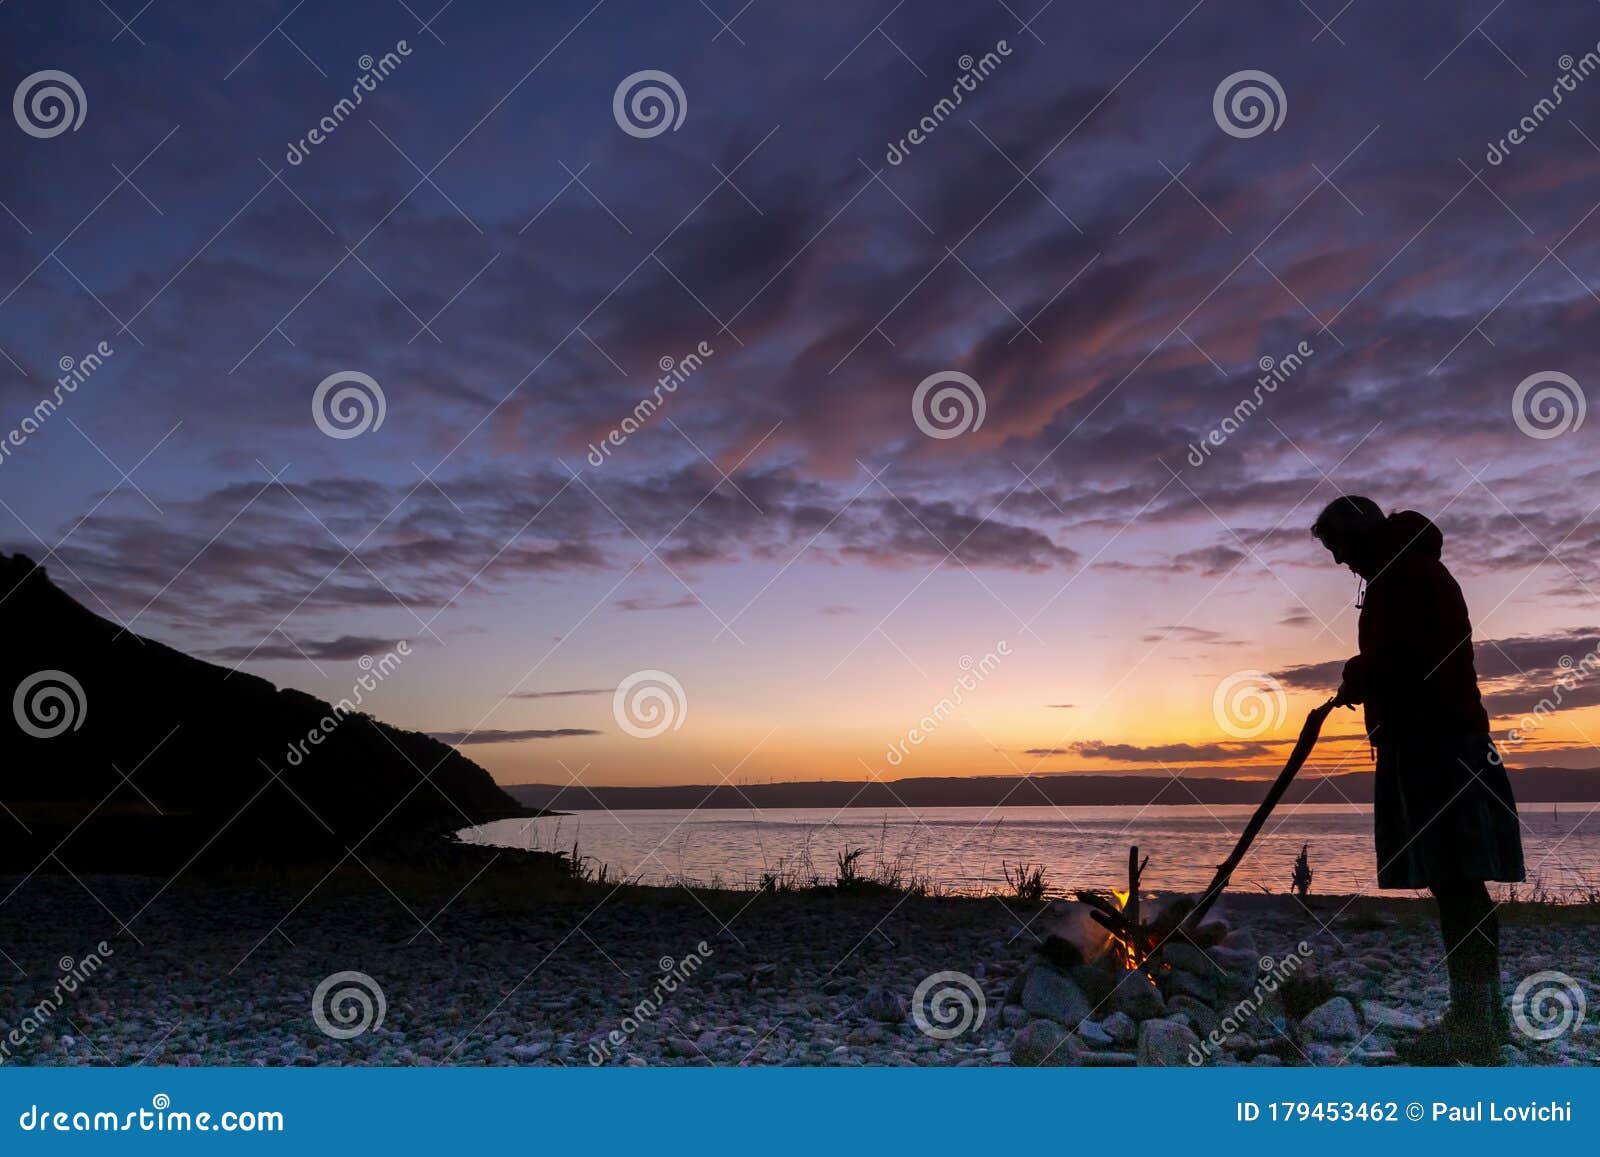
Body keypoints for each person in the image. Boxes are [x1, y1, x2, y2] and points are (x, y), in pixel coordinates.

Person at [1311, 496, 1524, 1065]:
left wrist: (1358, 674)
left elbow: (1405, 659)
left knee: (1457, 882)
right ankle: (1477, 1015)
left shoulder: (1404, 576)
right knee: (1455, 882)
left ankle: (1477, 1023)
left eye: (1338, 549)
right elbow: (1402, 657)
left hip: (1438, 745)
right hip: (1436, 741)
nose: (1339, 564)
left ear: (1359, 535)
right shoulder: (1404, 571)